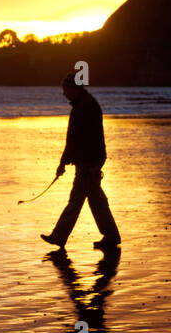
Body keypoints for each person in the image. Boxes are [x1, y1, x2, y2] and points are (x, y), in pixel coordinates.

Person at [41, 73, 121, 250]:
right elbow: (75, 139)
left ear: (74, 89)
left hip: (88, 162)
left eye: (65, 89)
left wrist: (88, 164)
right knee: (97, 200)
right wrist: (65, 161)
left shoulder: (85, 107)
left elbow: (81, 139)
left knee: (76, 200)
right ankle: (111, 236)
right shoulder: (84, 104)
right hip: (90, 161)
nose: (64, 93)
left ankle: (59, 236)